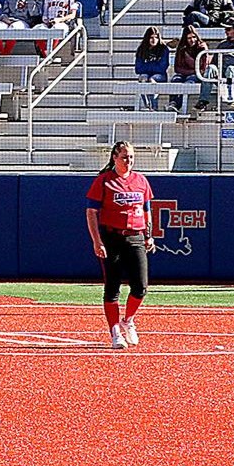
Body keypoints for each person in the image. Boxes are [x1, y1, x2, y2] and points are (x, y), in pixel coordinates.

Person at [85, 140, 153, 350]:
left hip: (135, 236)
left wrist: (149, 236)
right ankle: (115, 332)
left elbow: (147, 210)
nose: (128, 161)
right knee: (113, 286)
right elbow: (91, 212)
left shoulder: (141, 180)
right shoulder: (104, 181)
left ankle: (128, 320)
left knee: (140, 287)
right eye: (124, 157)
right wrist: (97, 241)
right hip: (112, 237)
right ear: (114, 158)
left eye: (131, 157)